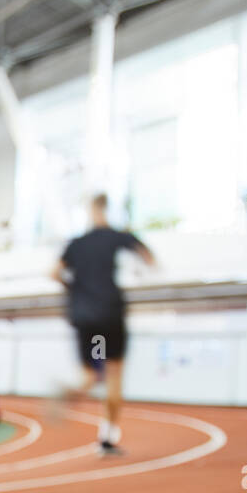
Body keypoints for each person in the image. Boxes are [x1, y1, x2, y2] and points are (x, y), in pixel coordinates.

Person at [50, 193, 154, 456]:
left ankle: (71, 391)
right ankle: (107, 438)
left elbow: (53, 273)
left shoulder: (76, 243)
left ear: (89, 211)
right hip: (110, 312)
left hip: (84, 316)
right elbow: (149, 257)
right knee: (114, 375)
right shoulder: (117, 236)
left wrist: (75, 289)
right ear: (107, 209)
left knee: (90, 375)